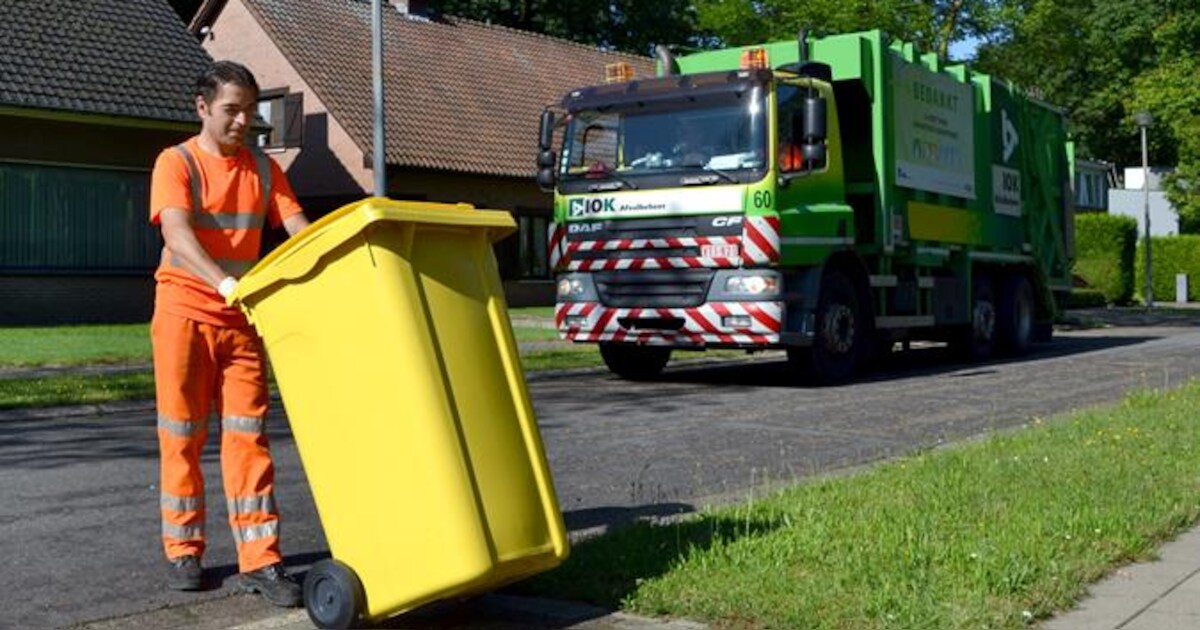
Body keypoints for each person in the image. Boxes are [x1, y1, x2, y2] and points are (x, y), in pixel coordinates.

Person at [148, 60, 311, 607]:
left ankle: (261, 559)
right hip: (185, 313)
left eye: (250, 110)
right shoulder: (177, 163)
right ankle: (184, 549)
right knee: (182, 435)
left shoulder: (264, 170)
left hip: (242, 320)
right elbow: (176, 230)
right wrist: (222, 282)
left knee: (248, 440)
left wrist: (326, 272)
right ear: (202, 108)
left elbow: (296, 228)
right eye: (231, 110)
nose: (243, 121)